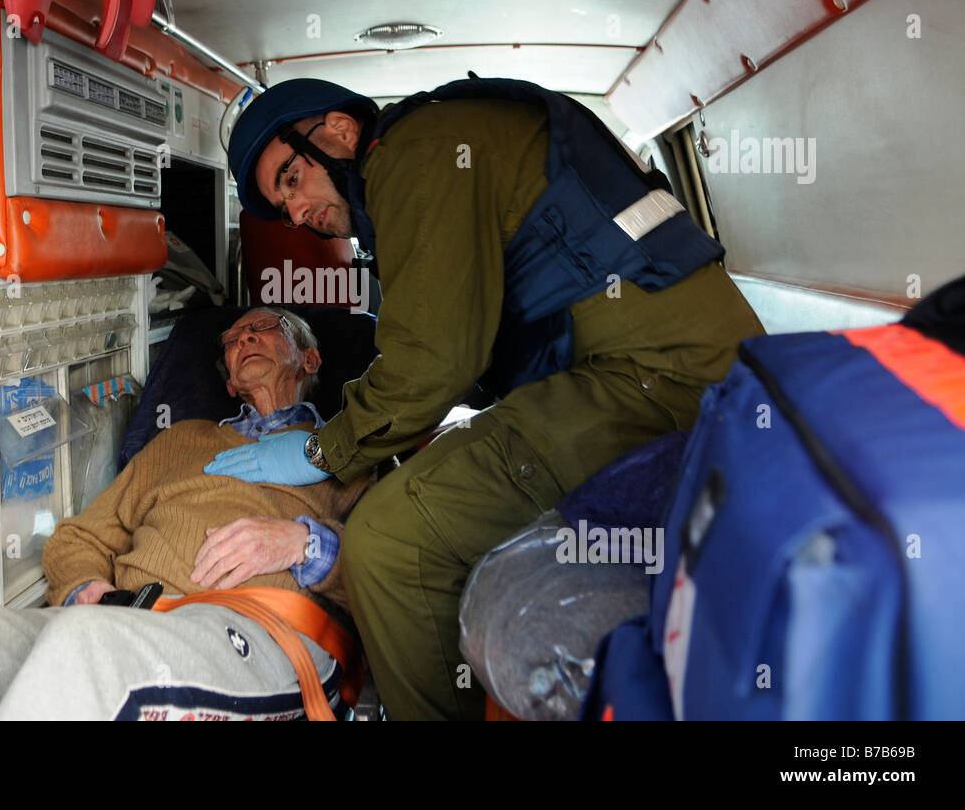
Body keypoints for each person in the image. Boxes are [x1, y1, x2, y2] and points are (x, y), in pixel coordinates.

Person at [207, 76, 765, 720]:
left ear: (337, 129)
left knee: (388, 539)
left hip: (664, 381)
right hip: (693, 377)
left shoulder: (413, 153)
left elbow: (432, 361)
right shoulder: (434, 151)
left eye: (289, 181)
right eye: (283, 210)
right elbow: (467, 348)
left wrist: (320, 449)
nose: (297, 213)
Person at [0, 308, 370, 721]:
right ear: (228, 382)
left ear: (311, 358)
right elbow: (78, 539)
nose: (244, 338)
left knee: (79, 647)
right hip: (128, 616)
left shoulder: (353, 452)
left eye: (264, 328)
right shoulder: (182, 440)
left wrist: (302, 544)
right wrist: (85, 586)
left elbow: (396, 574)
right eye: (233, 339)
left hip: (262, 628)